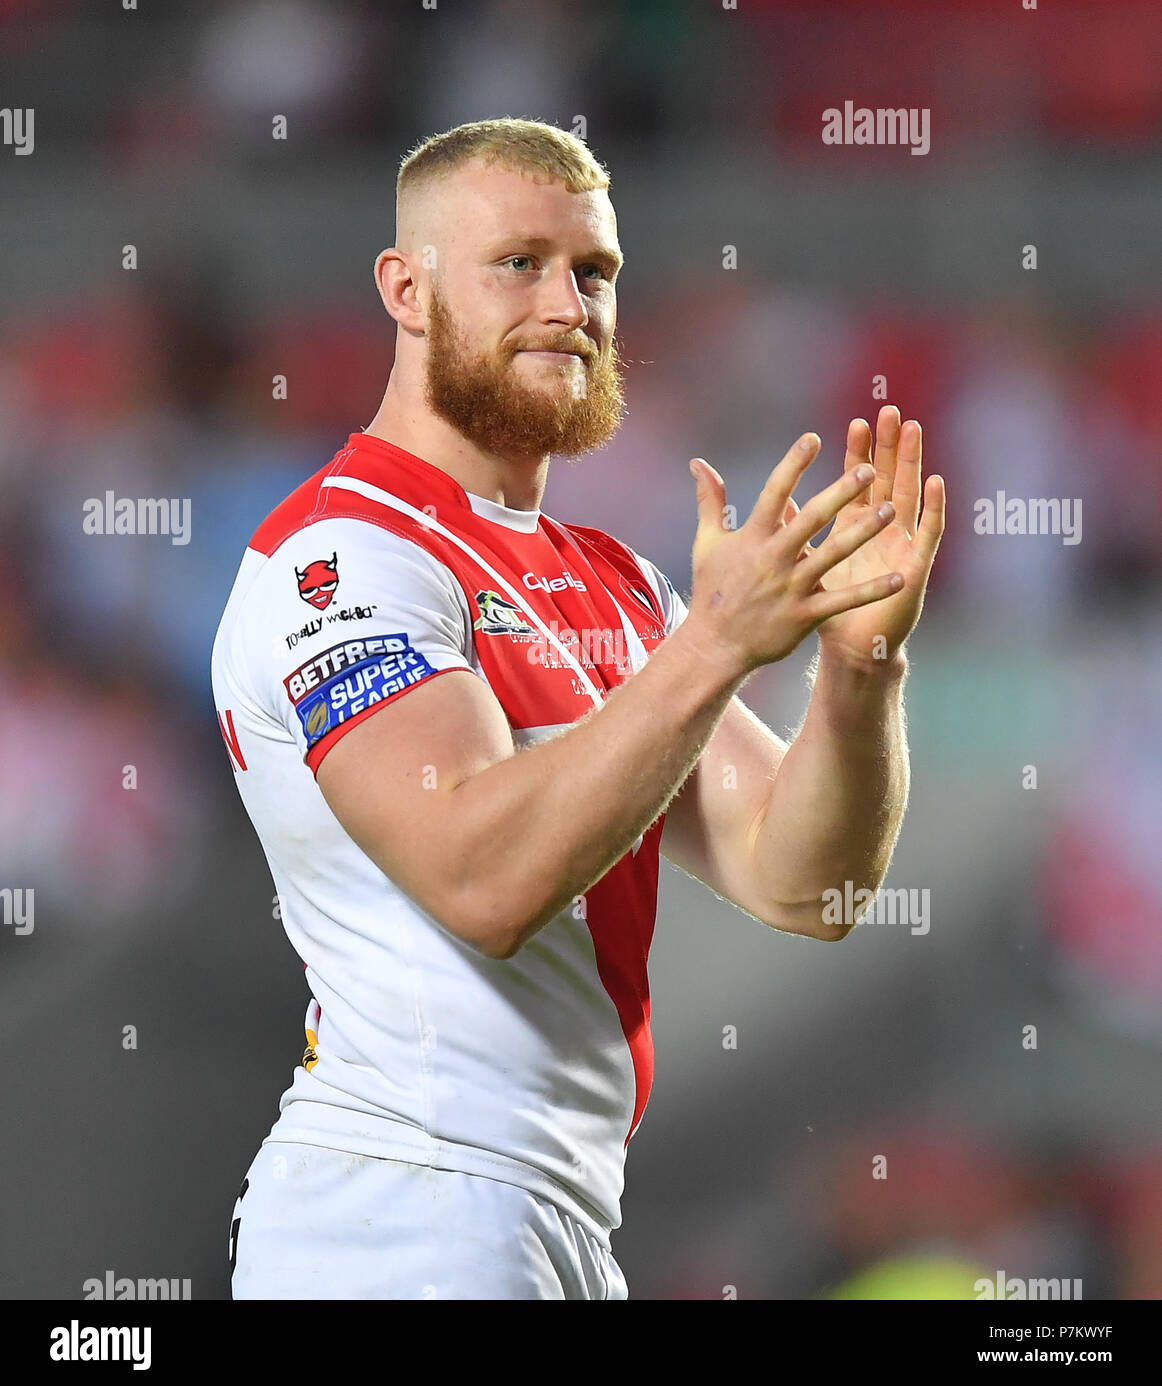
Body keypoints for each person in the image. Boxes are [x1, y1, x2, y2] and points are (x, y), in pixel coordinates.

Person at [211, 117, 945, 1300]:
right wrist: (713, 644)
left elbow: (811, 887)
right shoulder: (344, 558)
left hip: (544, 1215)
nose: (569, 304)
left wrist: (861, 672)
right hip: (399, 1211)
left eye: (594, 271)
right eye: (519, 262)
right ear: (406, 287)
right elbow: (481, 882)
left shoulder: (607, 580)